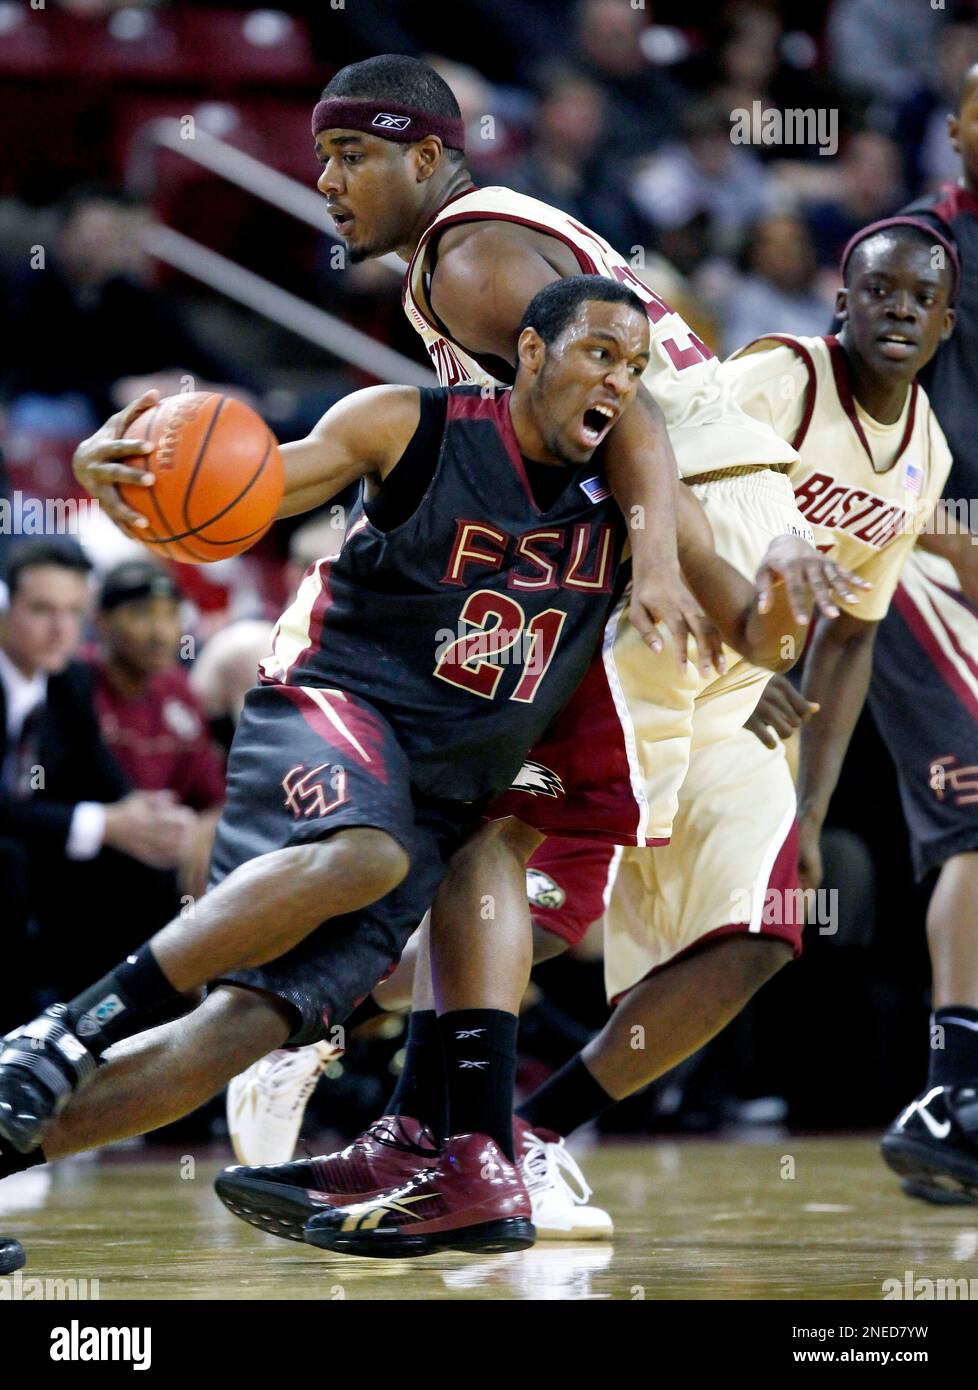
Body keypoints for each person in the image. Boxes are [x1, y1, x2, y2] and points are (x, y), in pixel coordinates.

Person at [0, 276, 812, 1257]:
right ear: (531, 351)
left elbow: (761, 638)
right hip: (333, 701)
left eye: (635, 366)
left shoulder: (636, 505)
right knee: (367, 855)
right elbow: (252, 490)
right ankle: (62, 1030)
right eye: (600, 352)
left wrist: (788, 590)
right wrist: (128, 485)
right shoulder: (407, 425)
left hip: (438, 792)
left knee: (232, 1036)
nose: (622, 380)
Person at [213, 54, 863, 1249]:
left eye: (349, 155)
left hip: (673, 526)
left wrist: (659, 557)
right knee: (544, 841)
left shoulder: (467, 256)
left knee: (514, 828)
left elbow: (635, 412)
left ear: (426, 155)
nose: (325, 182)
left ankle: (383, 1074)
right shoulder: (514, 234)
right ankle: (446, 1135)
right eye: (318, 158)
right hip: (738, 524)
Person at [860, 64, 978, 1205]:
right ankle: (957, 1088)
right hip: (918, 555)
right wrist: (948, 536)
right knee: (974, 819)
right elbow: (860, 440)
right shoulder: (910, 253)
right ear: (955, 128)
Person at [0, 539, 195, 1026]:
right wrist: (104, 823)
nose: (60, 628)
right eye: (42, 609)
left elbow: (101, 774)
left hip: (41, 853)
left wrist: (143, 816)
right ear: (7, 608)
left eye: (72, 611)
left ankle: (139, 1030)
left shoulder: (70, 681)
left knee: (144, 861)